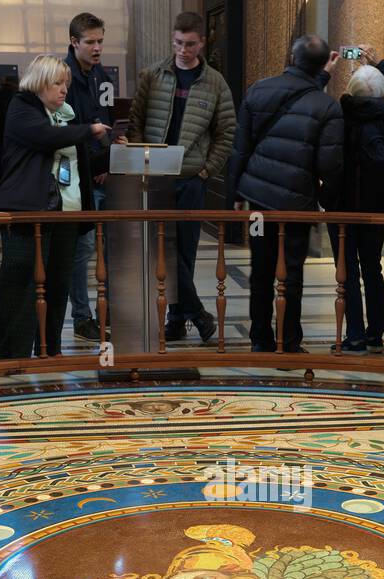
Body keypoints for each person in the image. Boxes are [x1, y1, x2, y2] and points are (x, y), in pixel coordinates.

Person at [0, 54, 104, 361]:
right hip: (28, 211)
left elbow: (80, 163)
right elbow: (44, 138)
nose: (64, 89)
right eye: (57, 83)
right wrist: (89, 130)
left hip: (66, 211)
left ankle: (49, 349)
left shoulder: (65, 115)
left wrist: (117, 151)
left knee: (57, 283)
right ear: (39, 83)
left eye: (66, 83)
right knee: (21, 283)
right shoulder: (22, 107)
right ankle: (8, 356)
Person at [128, 10, 236, 344]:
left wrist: (206, 171)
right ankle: (197, 314)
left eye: (190, 44)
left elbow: (227, 131)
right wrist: (139, 164)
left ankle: (176, 319)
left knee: (184, 251)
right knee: (161, 251)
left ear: (202, 42)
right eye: (177, 43)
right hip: (155, 176)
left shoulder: (215, 82)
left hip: (191, 177)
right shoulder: (153, 75)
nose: (183, 50)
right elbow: (136, 122)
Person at [231, 34, 343, 354]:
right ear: (323, 64)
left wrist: (235, 192)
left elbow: (240, 147)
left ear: (291, 59)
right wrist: (326, 201)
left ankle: (259, 339)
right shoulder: (327, 106)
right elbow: (330, 164)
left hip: (258, 201)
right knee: (291, 272)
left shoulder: (258, 89)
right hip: (296, 203)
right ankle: (289, 341)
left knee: (261, 269)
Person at [327, 47, 384, 354]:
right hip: (376, 207)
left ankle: (355, 334)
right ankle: (375, 334)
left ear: (350, 89)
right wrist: (382, 64)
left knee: (347, 270)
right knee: (372, 268)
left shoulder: (338, 114)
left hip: (341, 207)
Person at [64, 12, 123, 344]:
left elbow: (106, 119)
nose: (98, 47)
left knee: (109, 246)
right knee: (81, 250)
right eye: (91, 42)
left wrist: (113, 145)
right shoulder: (64, 76)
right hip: (75, 173)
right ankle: (81, 314)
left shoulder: (103, 77)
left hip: (102, 170)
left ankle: (108, 307)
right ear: (75, 42)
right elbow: (68, 128)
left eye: (101, 40)